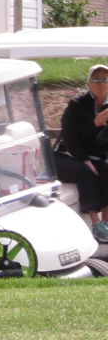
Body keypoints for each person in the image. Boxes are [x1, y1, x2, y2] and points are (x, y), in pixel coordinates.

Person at [53, 64, 108, 242]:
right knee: (87, 172)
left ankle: (106, 221)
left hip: (96, 155)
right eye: (97, 80)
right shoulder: (77, 104)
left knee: (107, 169)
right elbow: (69, 137)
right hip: (65, 155)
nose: (102, 84)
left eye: (106, 80)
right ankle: (95, 223)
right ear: (89, 83)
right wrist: (84, 160)